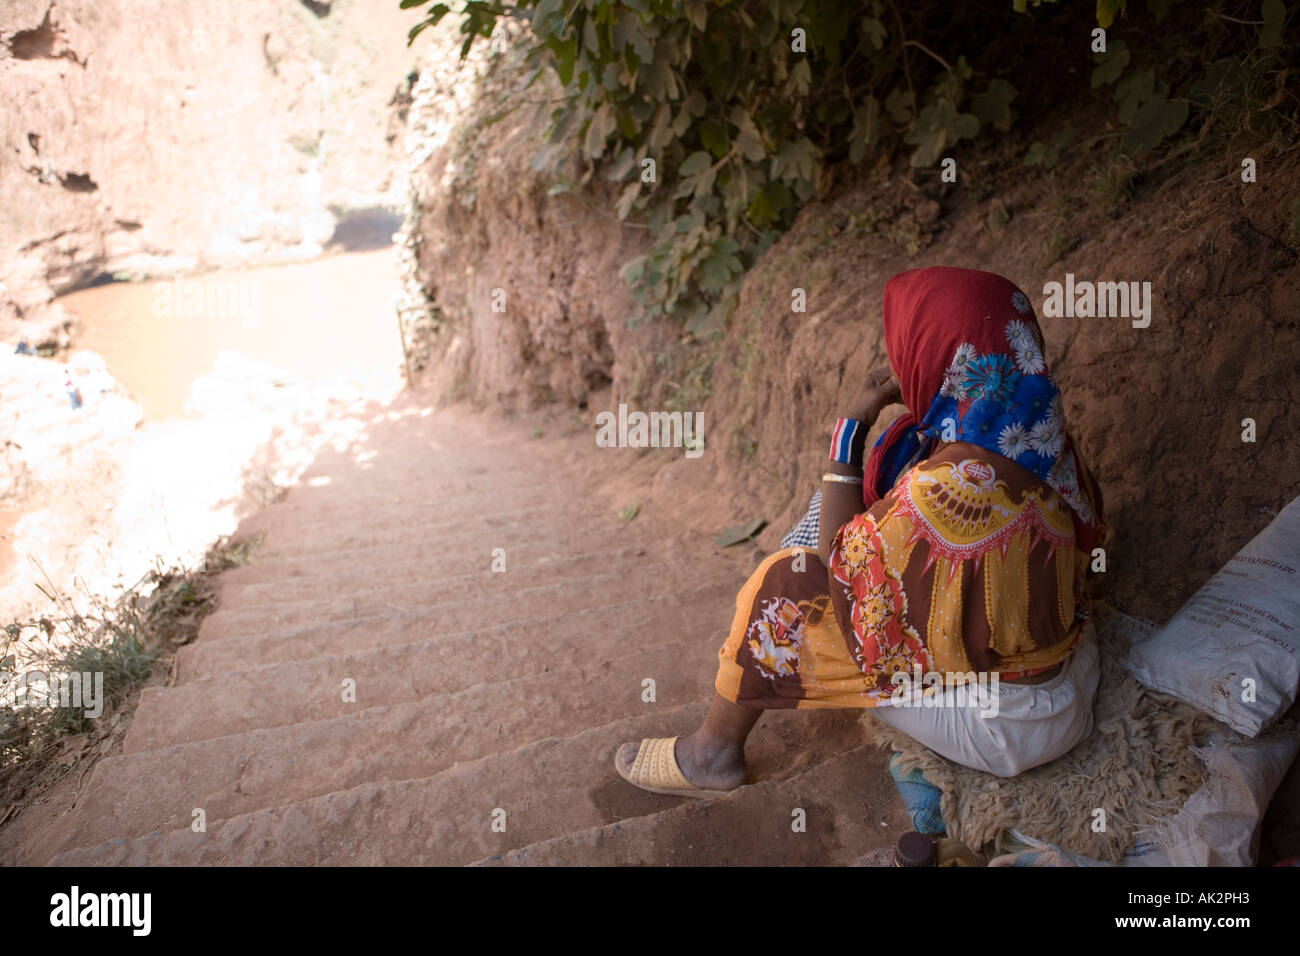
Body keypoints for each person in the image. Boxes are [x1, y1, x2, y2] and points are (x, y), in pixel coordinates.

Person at [615, 266, 1108, 796]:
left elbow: (838, 566)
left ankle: (712, 754)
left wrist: (851, 426)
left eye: (908, 344)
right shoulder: (1034, 427)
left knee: (784, 586)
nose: (899, 361)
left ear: (937, 354)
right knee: (846, 510)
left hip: (1011, 726)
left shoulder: (951, 485)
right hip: (1070, 669)